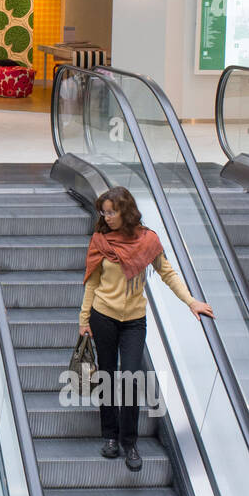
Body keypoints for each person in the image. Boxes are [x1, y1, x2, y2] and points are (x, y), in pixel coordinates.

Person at [79, 187, 214, 471]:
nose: (107, 217)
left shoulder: (148, 240)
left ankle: (130, 443)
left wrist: (191, 302)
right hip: (103, 316)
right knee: (107, 375)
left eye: (112, 211)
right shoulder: (101, 241)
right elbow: (91, 282)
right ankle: (110, 437)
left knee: (130, 378)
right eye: (104, 212)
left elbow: (167, 272)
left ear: (126, 211)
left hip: (135, 321)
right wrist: (83, 320)